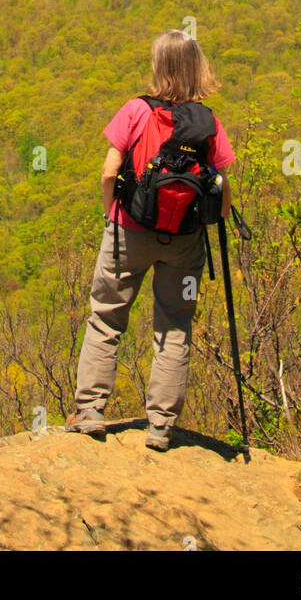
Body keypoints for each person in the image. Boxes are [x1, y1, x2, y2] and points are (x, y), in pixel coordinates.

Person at [66, 30, 235, 451]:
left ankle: (90, 411)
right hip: (184, 240)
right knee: (175, 325)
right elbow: (222, 188)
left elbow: (109, 173)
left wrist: (113, 215)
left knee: (106, 317)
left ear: (159, 67)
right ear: (198, 69)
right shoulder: (209, 123)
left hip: (129, 230)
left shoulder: (136, 111)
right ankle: (160, 426)